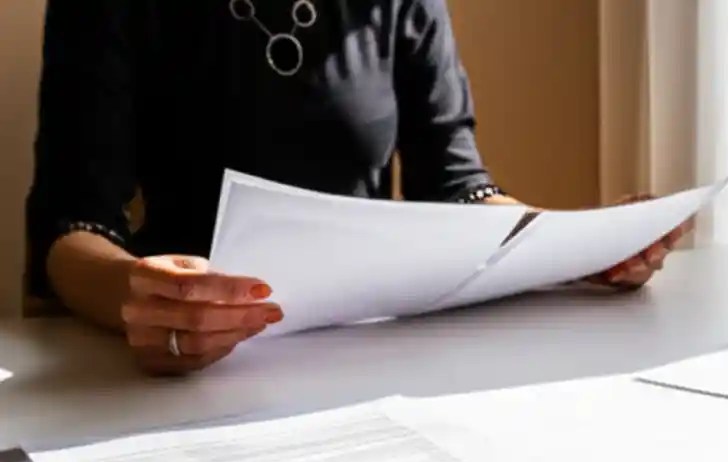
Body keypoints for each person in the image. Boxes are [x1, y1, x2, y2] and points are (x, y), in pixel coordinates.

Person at [26, 0, 684, 375]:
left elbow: (458, 188)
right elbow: (71, 226)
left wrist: (575, 245)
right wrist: (141, 298)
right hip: (193, 373)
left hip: (375, 359)